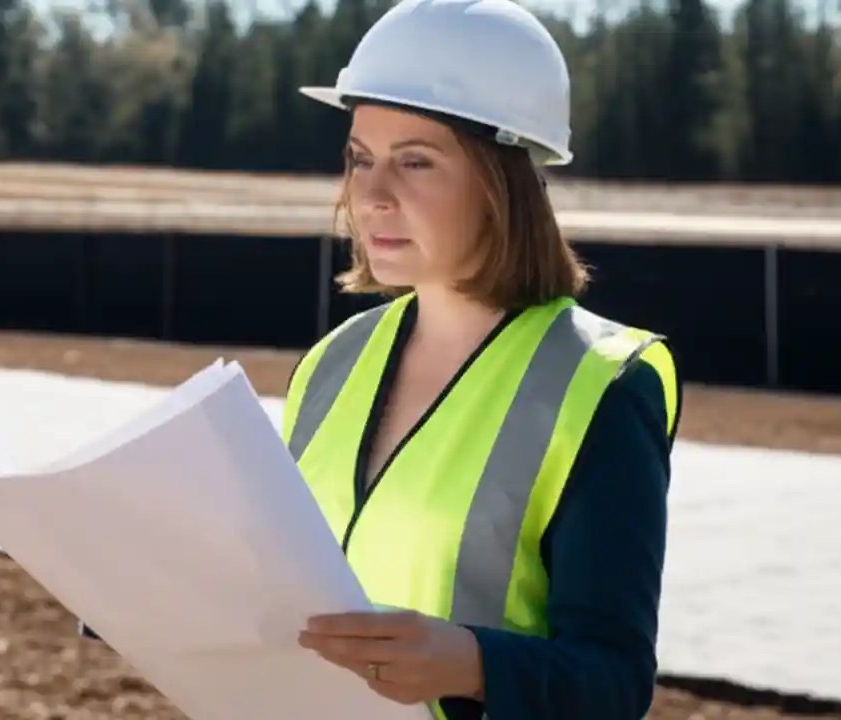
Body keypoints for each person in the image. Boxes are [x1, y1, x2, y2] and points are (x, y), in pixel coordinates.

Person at [282, 0, 683, 718]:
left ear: (503, 185)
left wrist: (473, 665)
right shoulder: (333, 361)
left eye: (415, 162)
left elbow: (615, 681)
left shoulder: (602, 384)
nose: (370, 196)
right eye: (359, 159)